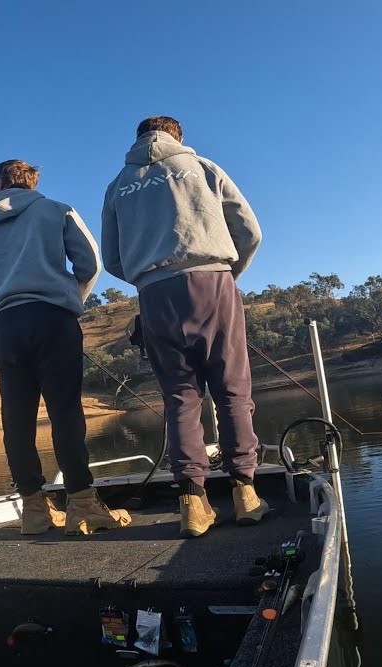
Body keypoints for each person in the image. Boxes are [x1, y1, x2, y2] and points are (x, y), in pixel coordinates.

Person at [100, 116, 266, 538]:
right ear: (179, 137)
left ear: (137, 139)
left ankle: (193, 504)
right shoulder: (205, 168)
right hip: (212, 281)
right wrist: (228, 275)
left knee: (180, 398)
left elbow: (113, 259)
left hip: (154, 295)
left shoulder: (118, 185)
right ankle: (245, 494)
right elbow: (250, 231)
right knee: (231, 390)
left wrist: (149, 276)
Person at [0, 159, 130, 536]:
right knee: (65, 411)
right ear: (31, 182)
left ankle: (34, 510)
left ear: (1, 182)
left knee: (16, 416)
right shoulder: (57, 210)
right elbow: (90, 263)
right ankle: (82, 505)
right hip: (54, 319)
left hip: (6, 325)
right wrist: (70, 296)